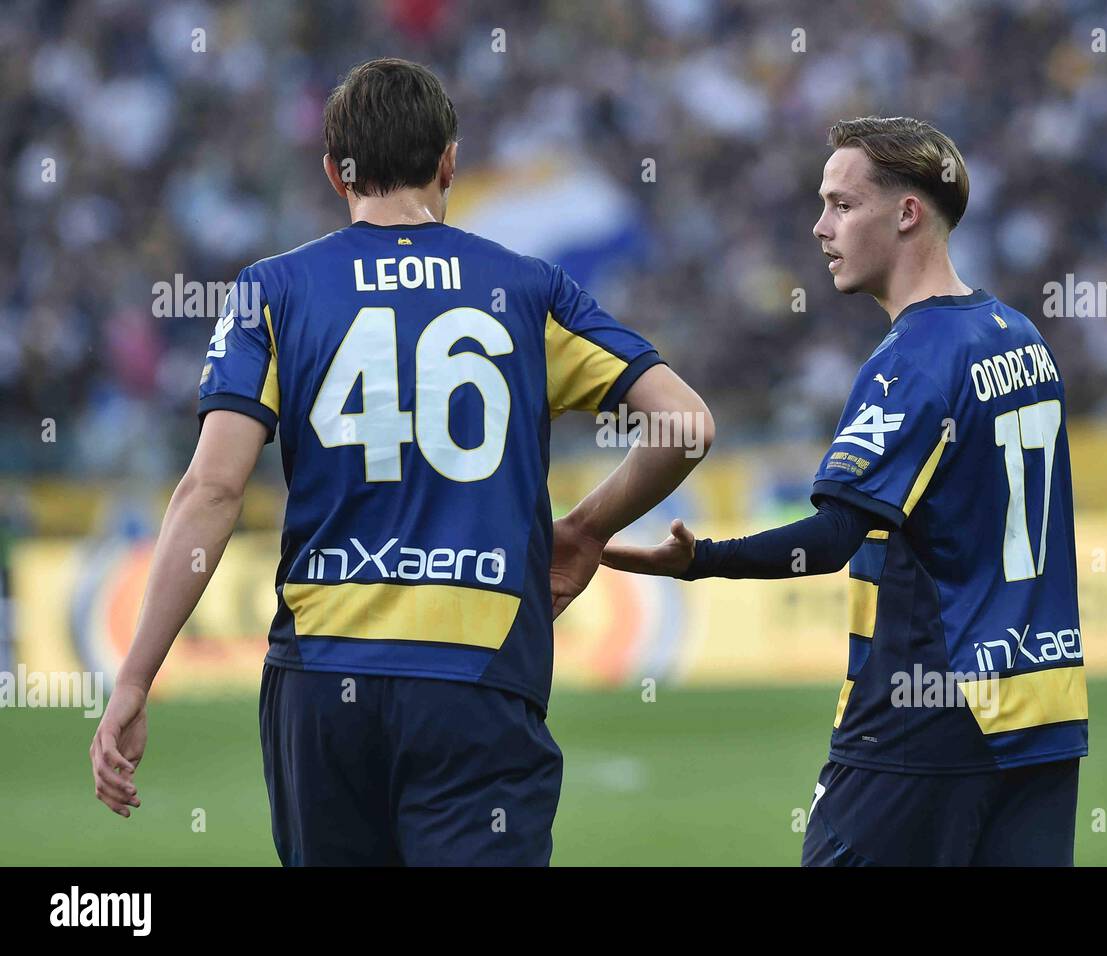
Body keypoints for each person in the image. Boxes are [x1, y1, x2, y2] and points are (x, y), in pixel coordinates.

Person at [89, 57, 713, 866]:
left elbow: (211, 489)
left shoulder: (269, 292)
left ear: (332, 172)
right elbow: (686, 424)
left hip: (322, 677)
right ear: (450, 160)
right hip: (478, 671)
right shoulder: (528, 290)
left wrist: (135, 680)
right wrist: (589, 529)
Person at [603, 117, 1087, 866]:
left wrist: (698, 560)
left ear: (906, 213)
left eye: (841, 204)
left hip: (922, 718)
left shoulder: (914, 361)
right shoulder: (1019, 337)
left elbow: (830, 540)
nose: (819, 226)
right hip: (1042, 711)